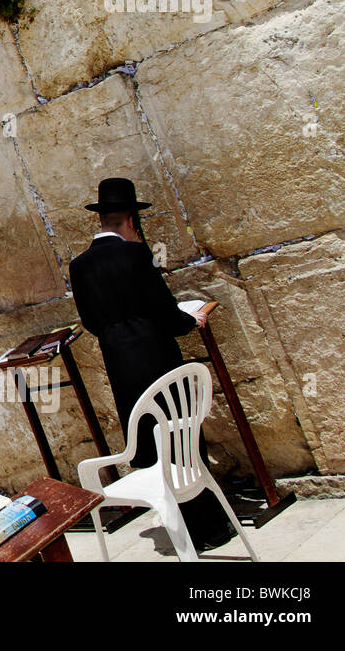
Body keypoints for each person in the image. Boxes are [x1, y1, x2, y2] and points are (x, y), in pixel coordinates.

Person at [69, 177, 235, 552]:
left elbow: (91, 322)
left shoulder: (79, 266)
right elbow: (164, 311)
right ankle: (208, 529)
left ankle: (178, 526)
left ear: (101, 220)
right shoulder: (136, 255)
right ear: (131, 219)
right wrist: (190, 321)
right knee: (180, 436)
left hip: (120, 364)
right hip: (156, 358)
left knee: (149, 442)